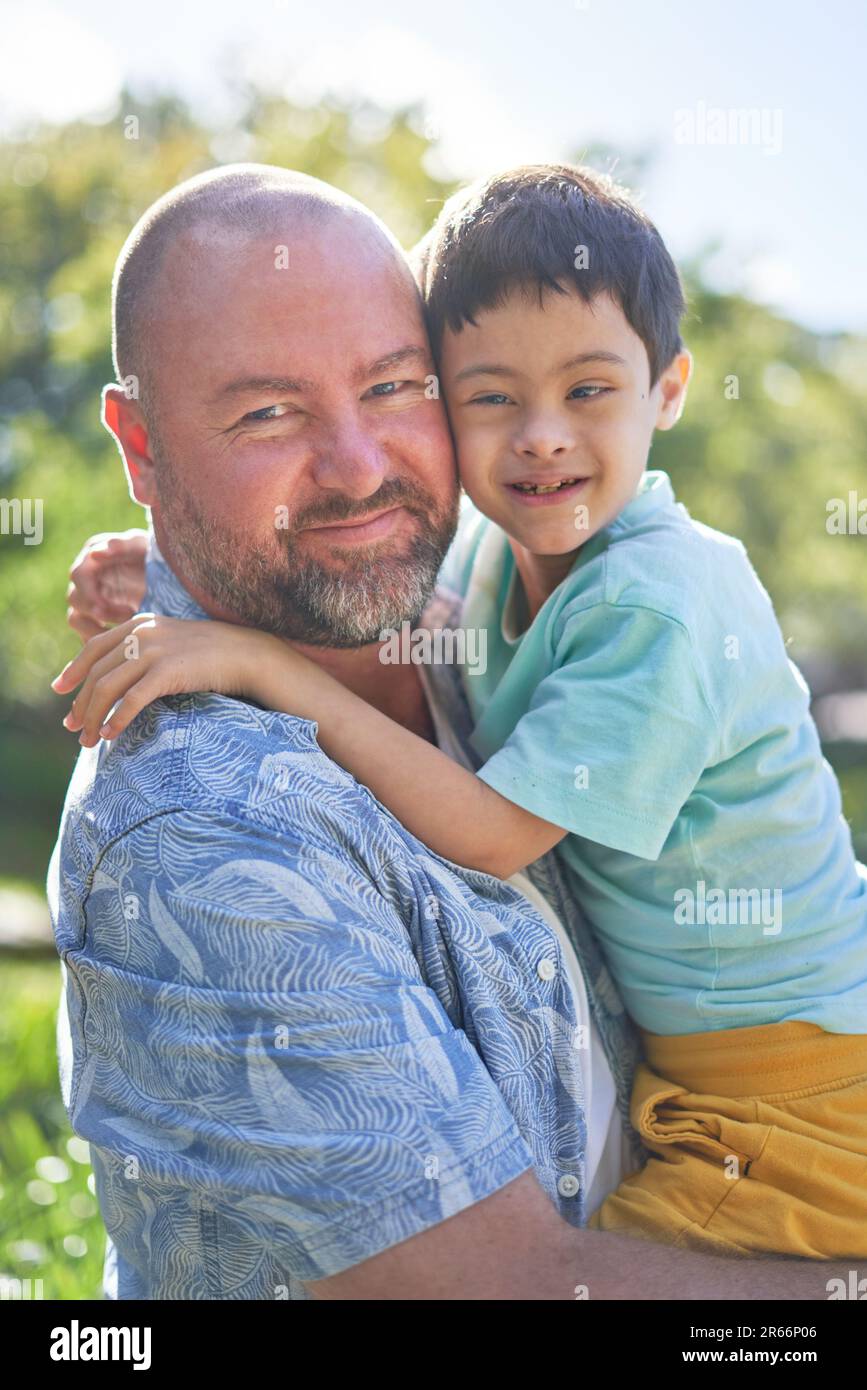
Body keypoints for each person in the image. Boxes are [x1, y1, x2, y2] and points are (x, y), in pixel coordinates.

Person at [51, 163, 857, 1299]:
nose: (362, 468)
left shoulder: (554, 601)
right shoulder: (200, 831)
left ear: (665, 389)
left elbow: (388, 588)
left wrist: (227, 592)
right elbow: (519, 1291)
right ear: (142, 448)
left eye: (392, 388)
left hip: (791, 1098)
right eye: (267, 412)